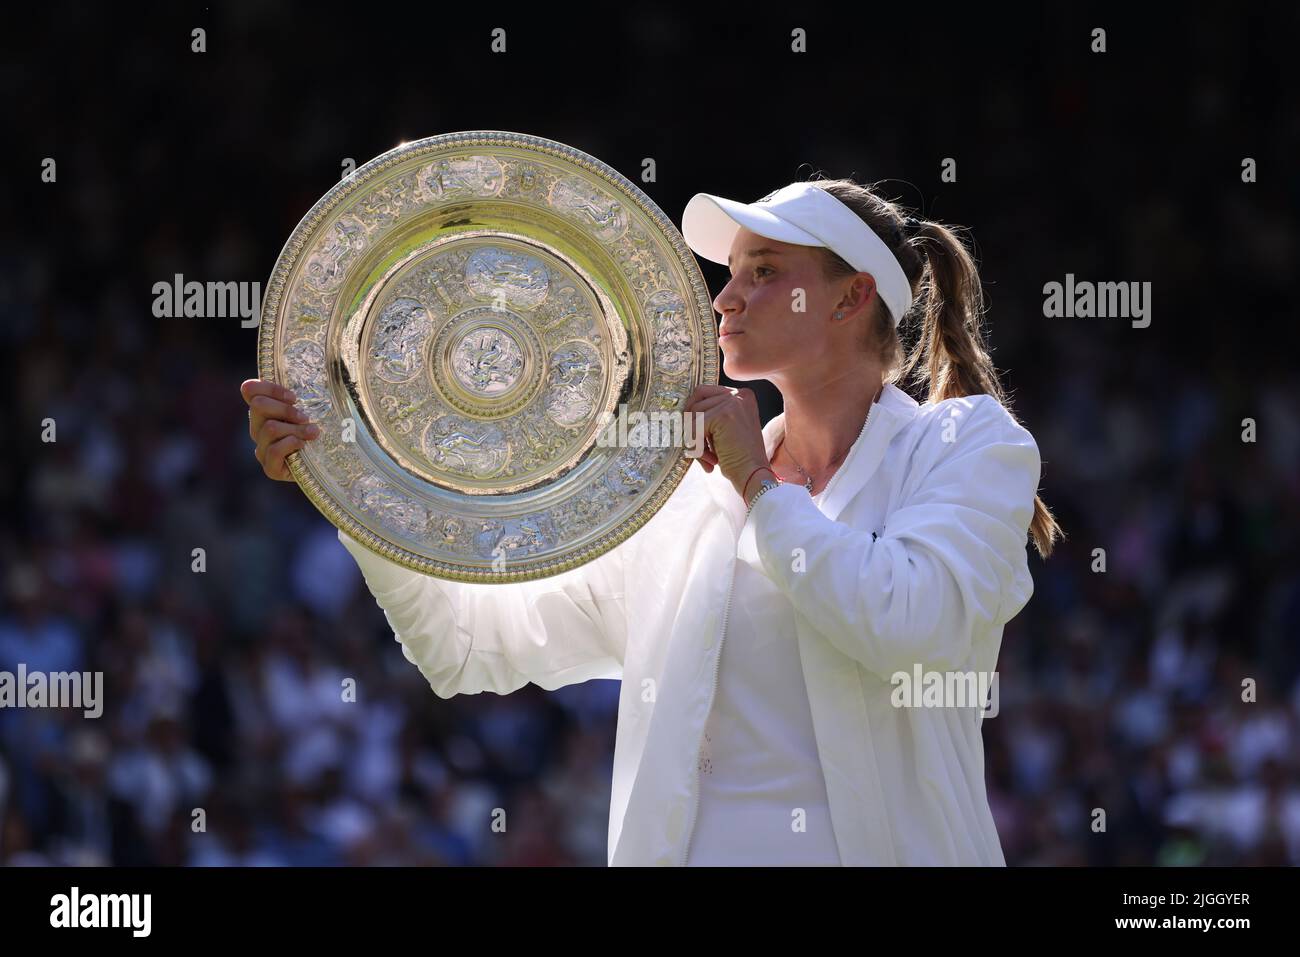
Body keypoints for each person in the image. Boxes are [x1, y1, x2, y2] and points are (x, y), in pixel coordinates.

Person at [240, 176, 1062, 866]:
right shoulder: (683, 505)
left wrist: (756, 482)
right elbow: (468, 650)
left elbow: (903, 619)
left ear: (850, 297)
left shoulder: (965, 444)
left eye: (765, 271)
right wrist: (348, 481)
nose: (725, 297)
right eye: (731, 271)